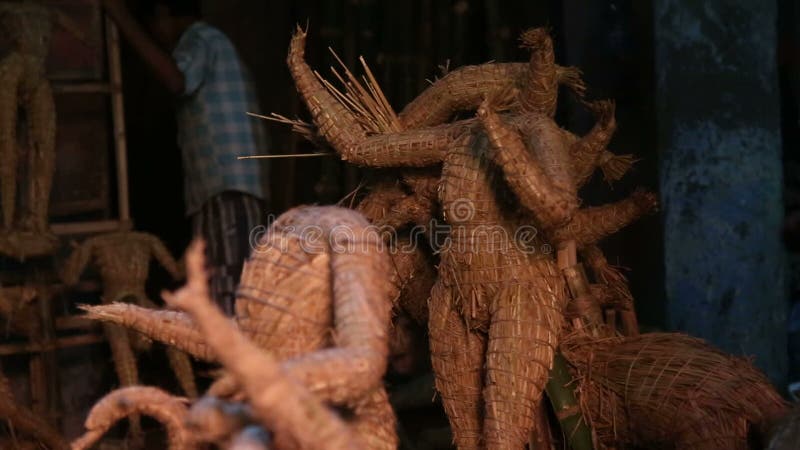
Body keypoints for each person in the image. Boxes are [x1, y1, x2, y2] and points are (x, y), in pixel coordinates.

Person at [102, 0, 268, 315]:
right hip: (221, 188)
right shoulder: (211, 41)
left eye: (153, 27)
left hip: (227, 186)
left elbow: (176, 80)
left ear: (164, 13)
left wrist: (120, 17)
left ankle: (235, 362)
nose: (157, 35)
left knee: (233, 293)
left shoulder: (202, 38)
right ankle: (229, 360)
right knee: (222, 284)